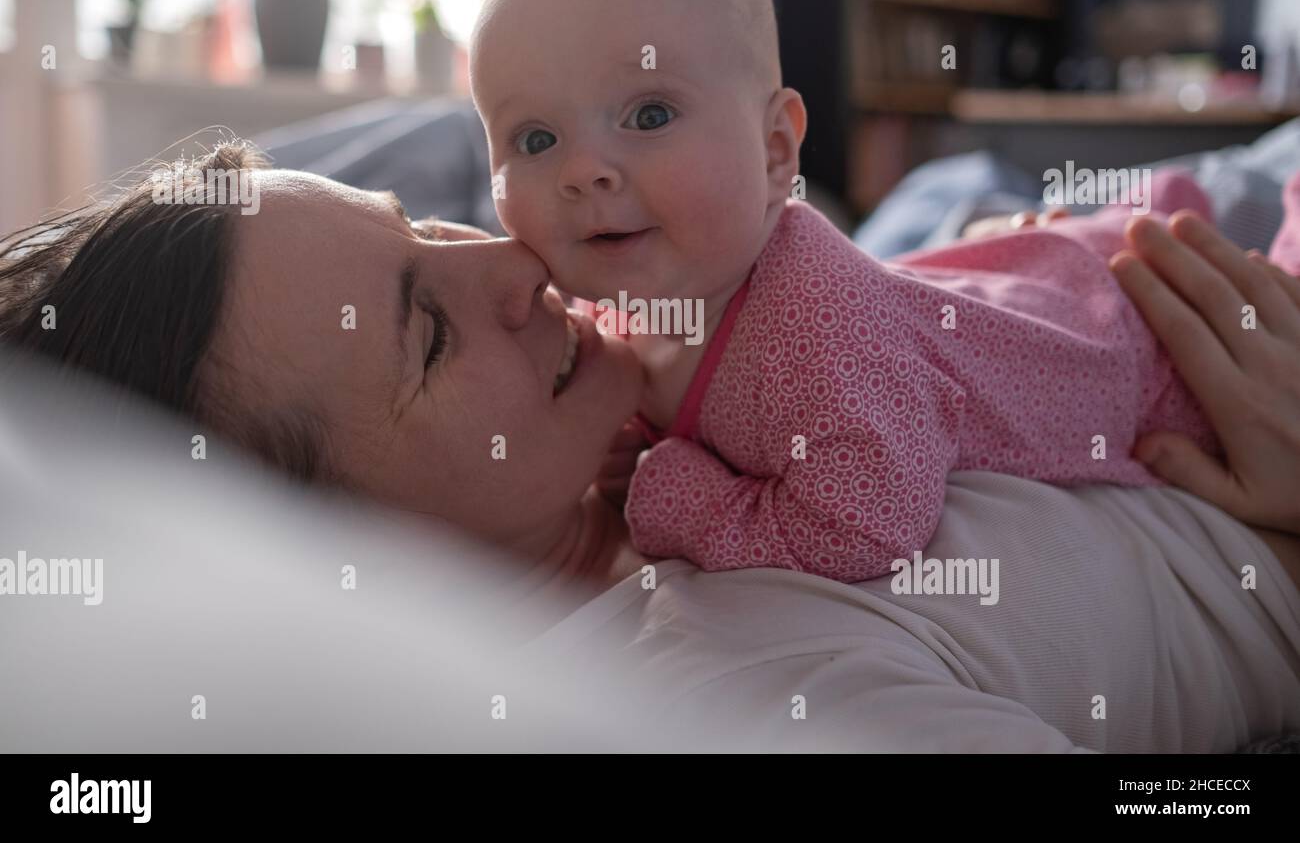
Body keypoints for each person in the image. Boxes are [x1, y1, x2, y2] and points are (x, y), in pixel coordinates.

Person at [1, 144, 1296, 751]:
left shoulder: (636, 409)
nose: (511, 260)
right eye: (428, 342)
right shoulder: (732, 681)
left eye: (422, 226)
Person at [468, 0, 1300, 583]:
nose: (583, 172)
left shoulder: (811, 331)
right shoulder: (608, 304)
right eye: (534, 138)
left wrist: (685, 502)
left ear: (773, 153)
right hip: (1014, 270)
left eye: (649, 115)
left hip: (1148, 347)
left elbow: (870, 520)